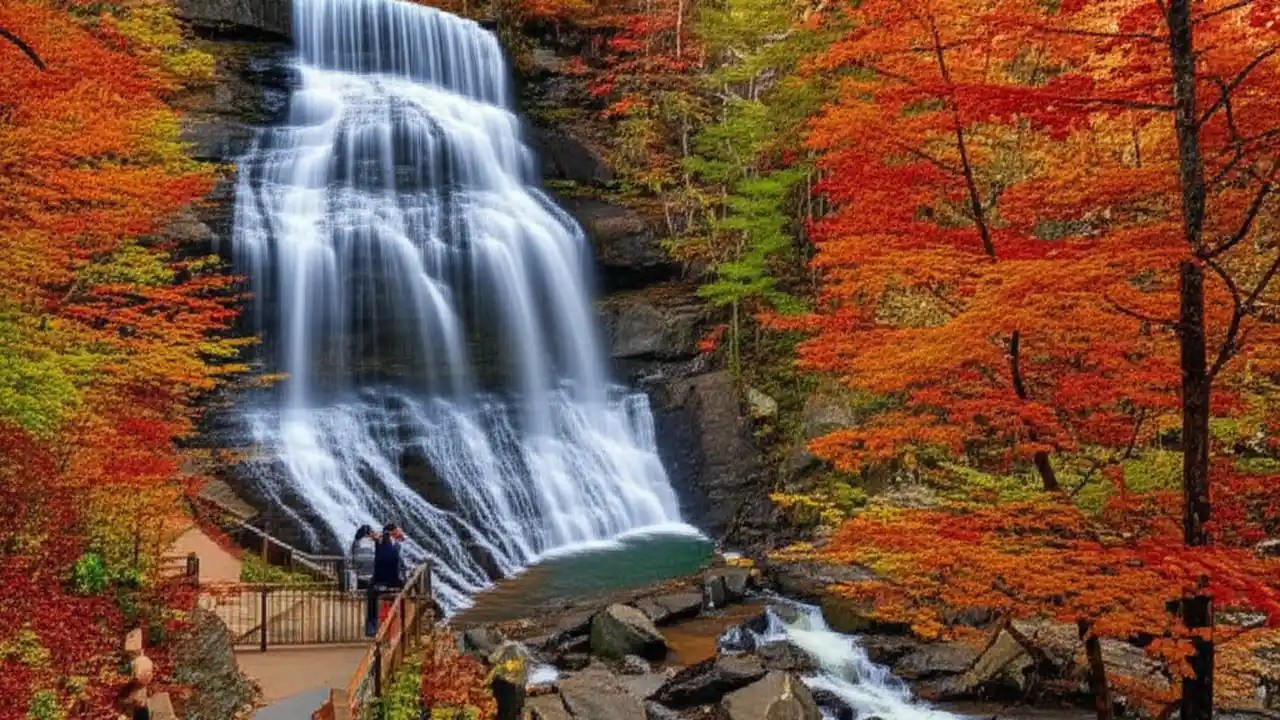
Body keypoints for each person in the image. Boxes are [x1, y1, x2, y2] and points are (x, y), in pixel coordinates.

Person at [348, 524, 378, 590]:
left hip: (359, 574)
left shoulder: (355, 542)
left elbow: (350, 557)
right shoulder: (374, 542)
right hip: (373, 574)